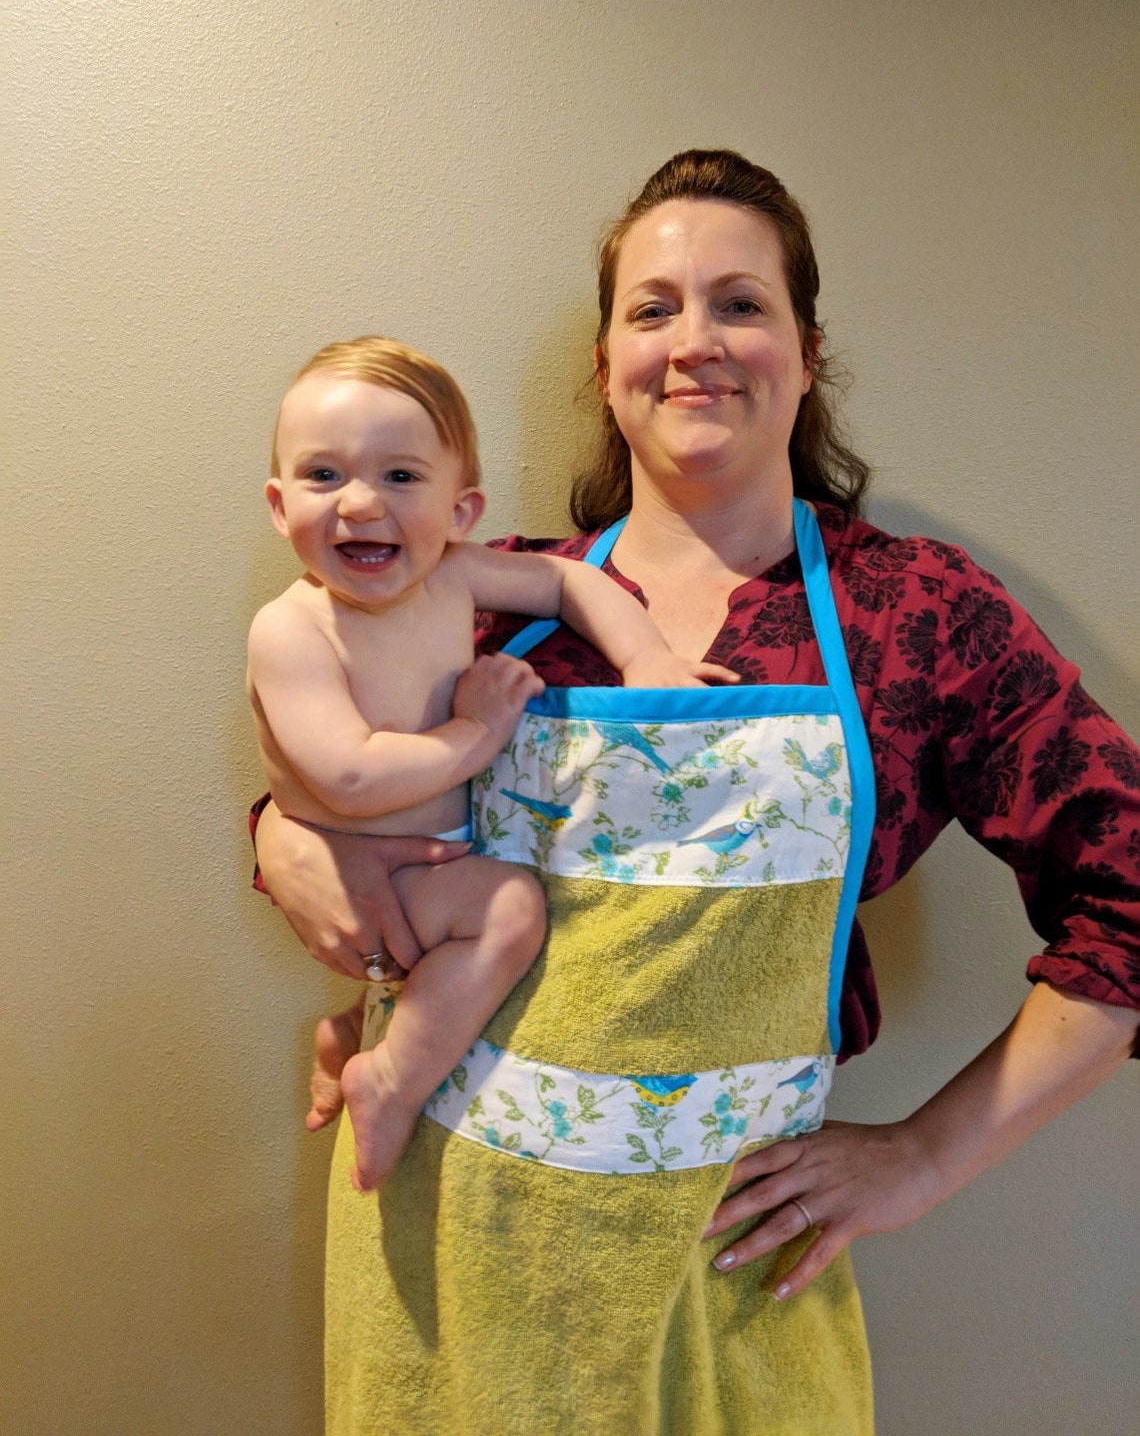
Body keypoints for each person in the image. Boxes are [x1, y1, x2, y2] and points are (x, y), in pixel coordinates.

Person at [252, 152, 1140, 1433]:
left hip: (722, 1282)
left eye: (740, 303)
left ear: (808, 352)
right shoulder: (468, 588)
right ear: (607, 360)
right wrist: (283, 838)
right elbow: (324, 755)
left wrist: (926, 1153)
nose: (694, 343)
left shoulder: (915, 616)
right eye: (653, 308)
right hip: (448, 1254)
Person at [249, 336, 731, 1190]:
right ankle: (388, 1081)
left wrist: (647, 655)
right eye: (324, 475)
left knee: (458, 945)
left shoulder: (455, 578)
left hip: (436, 863)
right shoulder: (292, 630)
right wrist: (477, 733)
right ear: (281, 507)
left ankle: (350, 1033)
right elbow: (349, 779)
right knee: (509, 913)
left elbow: (566, 583)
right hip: (378, 879)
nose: (359, 503)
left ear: (461, 511)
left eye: (400, 476)